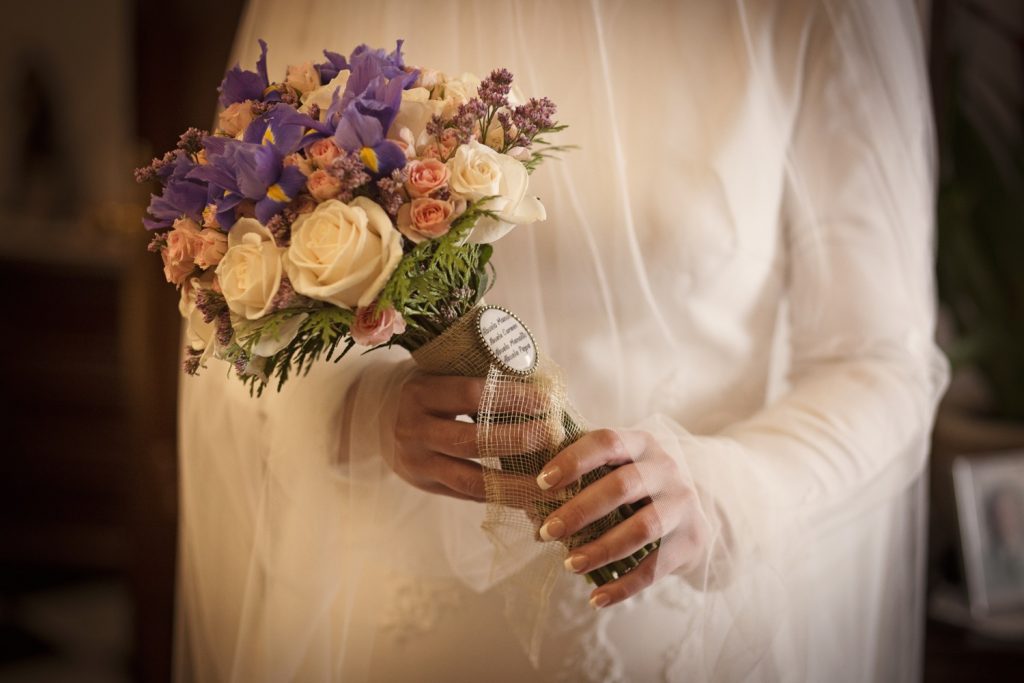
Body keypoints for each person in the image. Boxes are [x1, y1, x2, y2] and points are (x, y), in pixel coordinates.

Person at [175, 1, 949, 681]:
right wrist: (368, 416)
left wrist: (718, 488)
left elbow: (884, 361)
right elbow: (228, 302)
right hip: (390, 625)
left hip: (672, 627)